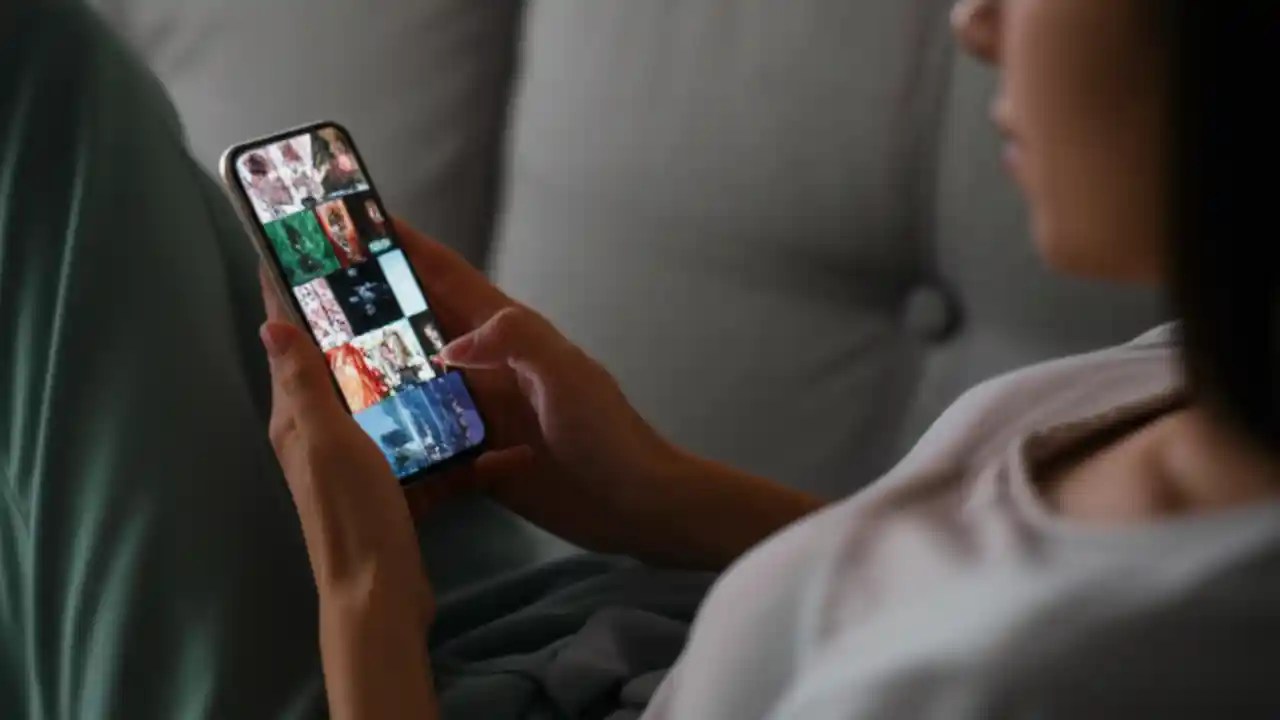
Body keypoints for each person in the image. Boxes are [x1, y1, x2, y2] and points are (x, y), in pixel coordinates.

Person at [253, 1, 1280, 718]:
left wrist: (365, 598)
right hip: (601, 615)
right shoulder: (1197, 380)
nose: (972, 21)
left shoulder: (1012, 691)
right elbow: (932, 587)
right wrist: (655, 492)